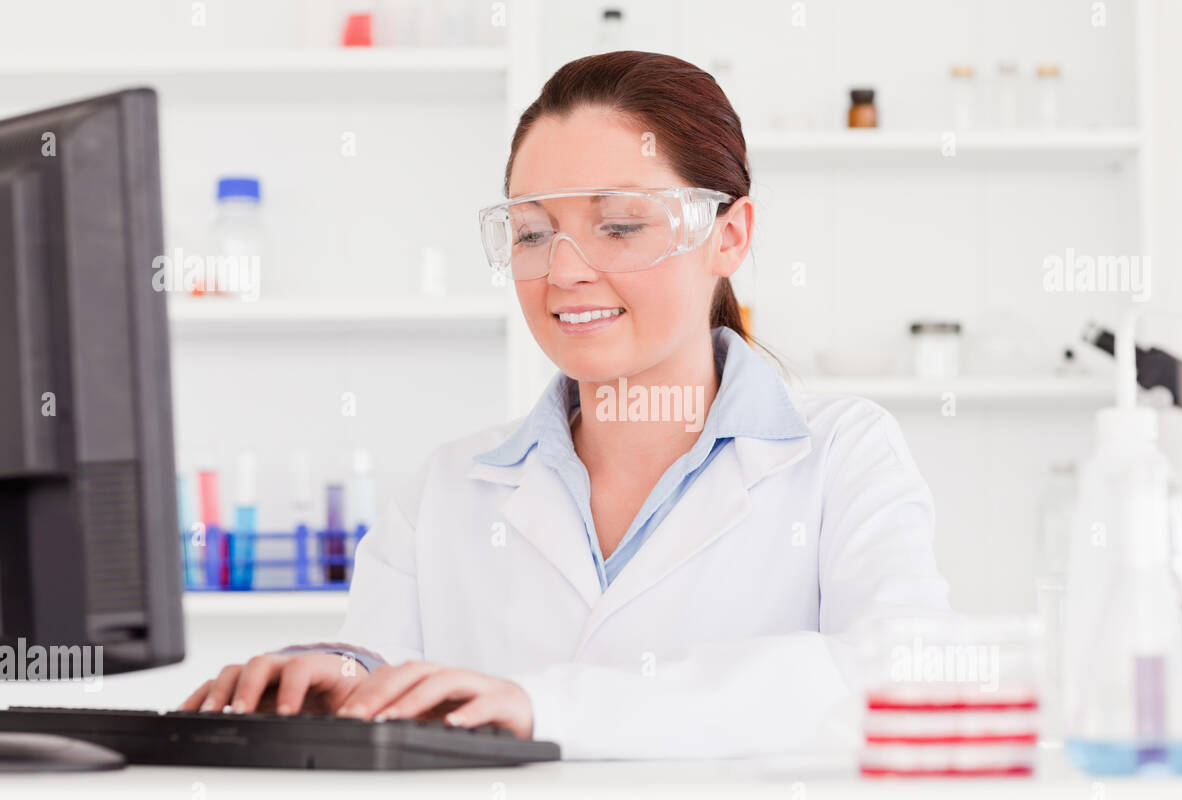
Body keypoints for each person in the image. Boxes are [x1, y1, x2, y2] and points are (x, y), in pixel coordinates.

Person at [180, 50, 950, 759]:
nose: (566, 270)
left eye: (619, 226)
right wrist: (336, 678)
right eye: (533, 233)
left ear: (730, 235)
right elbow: (380, 674)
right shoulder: (448, 489)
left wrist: (544, 707)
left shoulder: (841, 454)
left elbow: (892, 679)